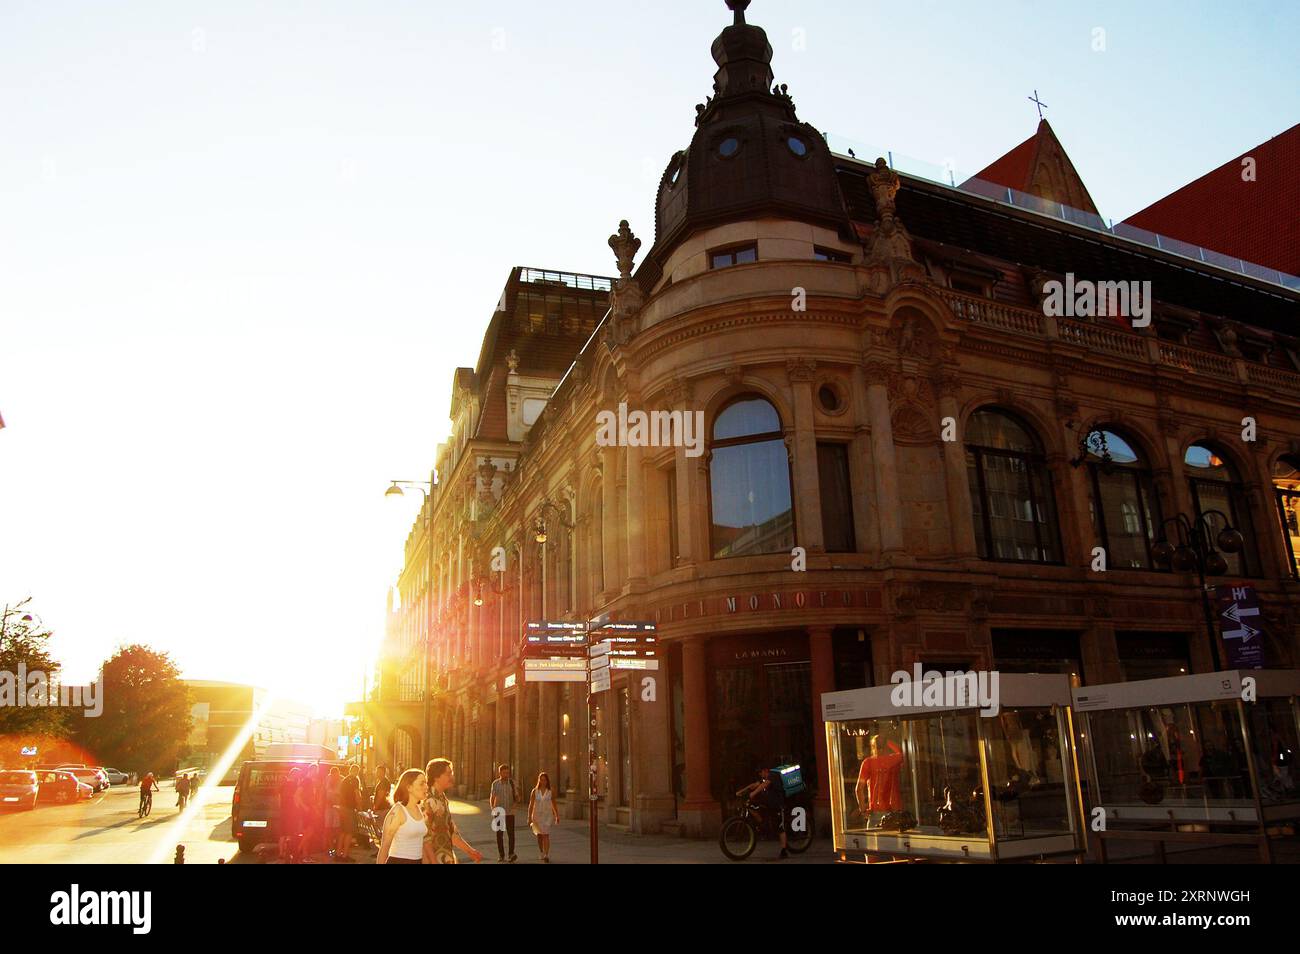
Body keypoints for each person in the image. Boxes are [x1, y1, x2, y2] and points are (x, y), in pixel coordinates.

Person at [421, 758, 482, 864]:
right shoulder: (428, 801)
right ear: (436, 777)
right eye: (448, 774)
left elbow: (452, 832)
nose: (452, 777)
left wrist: (470, 851)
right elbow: (423, 839)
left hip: (445, 858)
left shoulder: (442, 798)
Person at [377, 769, 427, 865]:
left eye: (426, 783)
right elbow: (384, 847)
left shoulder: (420, 809)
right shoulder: (398, 811)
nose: (426, 787)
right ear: (409, 787)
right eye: (422, 784)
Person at [737, 767, 788, 859]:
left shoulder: (773, 775)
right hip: (768, 803)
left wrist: (753, 793)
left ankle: (784, 850)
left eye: (761, 772)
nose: (760, 775)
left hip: (777, 804)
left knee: (780, 827)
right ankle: (763, 826)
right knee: (751, 806)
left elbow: (764, 785)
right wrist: (741, 791)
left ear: (765, 770)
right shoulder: (764, 779)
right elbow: (754, 785)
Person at [855, 735, 904, 829]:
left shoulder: (867, 763)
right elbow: (901, 751)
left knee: (874, 843)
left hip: (876, 813)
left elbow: (859, 789)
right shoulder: (894, 760)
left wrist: (863, 810)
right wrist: (888, 741)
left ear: (873, 747)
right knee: (894, 843)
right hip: (894, 812)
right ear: (886, 746)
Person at [489, 762, 520, 863]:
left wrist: (516, 803)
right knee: (499, 835)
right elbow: (492, 798)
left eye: (508, 773)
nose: (506, 775)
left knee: (511, 834)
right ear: (500, 773)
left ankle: (511, 854)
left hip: (510, 813)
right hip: (499, 812)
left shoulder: (512, 783)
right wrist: (493, 808)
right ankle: (501, 855)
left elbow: (516, 797)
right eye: (504, 773)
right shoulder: (495, 784)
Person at [527, 771, 560, 862]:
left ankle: (546, 854)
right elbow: (531, 804)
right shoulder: (535, 791)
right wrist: (529, 817)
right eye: (541, 780)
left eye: (544, 780)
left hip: (547, 816)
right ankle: (541, 851)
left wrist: (557, 815)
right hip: (537, 816)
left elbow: (554, 804)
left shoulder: (550, 791)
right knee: (539, 835)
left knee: (546, 834)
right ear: (539, 781)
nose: (543, 782)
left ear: (547, 781)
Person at [279, 767, 303, 862]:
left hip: (282, 811)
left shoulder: (283, 784)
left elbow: (279, 798)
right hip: (291, 812)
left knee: (282, 834)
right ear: (295, 775)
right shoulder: (294, 785)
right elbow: (296, 798)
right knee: (290, 833)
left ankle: (281, 853)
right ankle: (288, 852)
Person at [336, 773, 360, 862]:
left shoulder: (344, 780)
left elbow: (339, 794)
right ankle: (345, 855)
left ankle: (338, 854)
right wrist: (359, 806)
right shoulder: (355, 780)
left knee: (342, 832)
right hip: (349, 809)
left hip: (342, 808)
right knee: (349, 833)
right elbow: (357, 794)